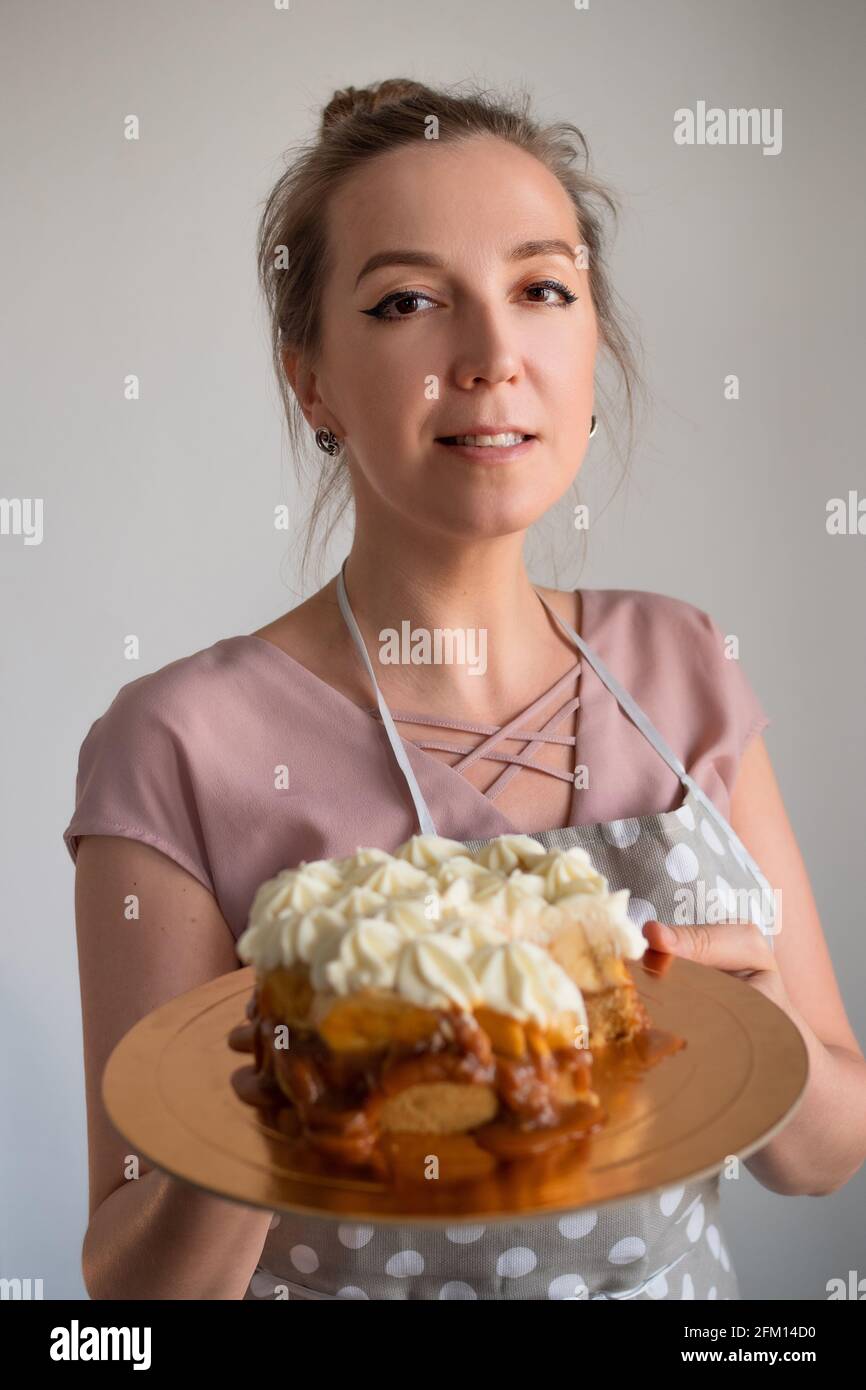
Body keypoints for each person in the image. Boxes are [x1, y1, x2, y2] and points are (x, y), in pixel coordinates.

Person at [64, 78, 866, 1301]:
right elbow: (129, 1296)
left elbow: (826, 1156)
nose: (492, 357)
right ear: (313, 382)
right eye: (405, 303)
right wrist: (288, 1087)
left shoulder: (686, 663)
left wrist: (768, 1046)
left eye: (541, 289)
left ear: (590, 342)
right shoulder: (174, 744)